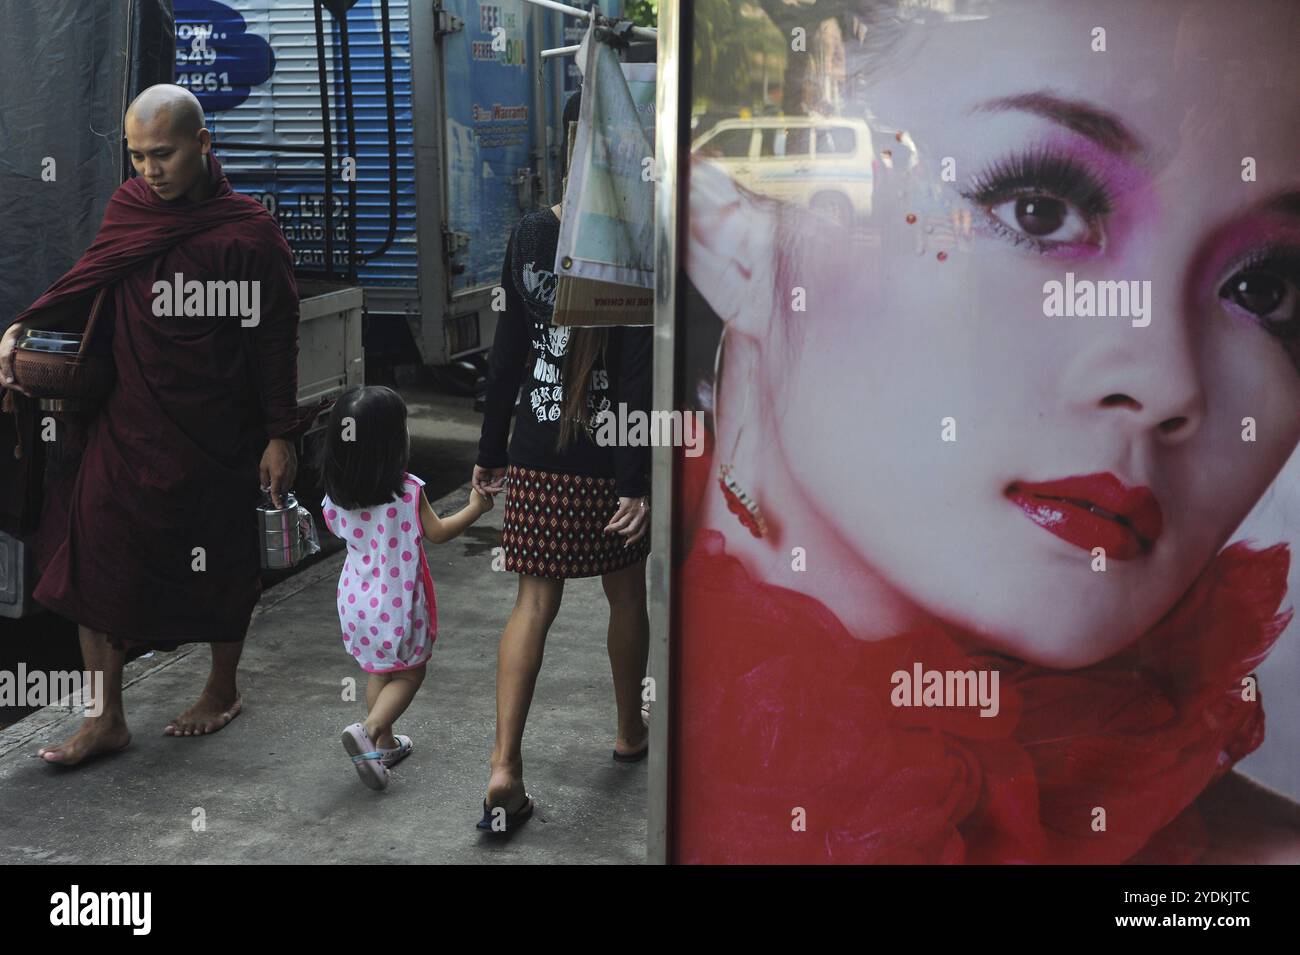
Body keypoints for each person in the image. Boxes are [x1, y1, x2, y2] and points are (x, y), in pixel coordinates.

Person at [675, 0, 1300, 862]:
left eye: (1264, 290)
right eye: (1039, 210)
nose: (1166, 382)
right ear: (724, 225)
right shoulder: (627, 726)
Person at [0, 84, 302, 764]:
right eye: (136, 157)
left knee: (222, 563)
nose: (148, 171)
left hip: (215, 430)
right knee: (89, 555)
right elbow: (88, 276)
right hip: (127, 421)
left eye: (161, 155)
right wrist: (25, 325)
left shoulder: (246, 232)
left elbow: (275, 337)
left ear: (202, 143)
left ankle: (221, 689)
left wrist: (280, 431)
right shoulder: (131, 208)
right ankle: (105, 717)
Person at [472, 90, 653, 832]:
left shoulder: (527, 234)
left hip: (539, 451)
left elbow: (507, 354)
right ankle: (628, 729)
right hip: (607, 460)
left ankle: (504, 763)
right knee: (625, 598)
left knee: (533, 603)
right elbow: (641, 369)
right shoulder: (640, 239)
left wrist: (489, 453)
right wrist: (637, 478)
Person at [319, 386, 493, 790]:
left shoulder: (335, 495)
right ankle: (370, 728)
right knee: (411, 674)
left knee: (381, 671)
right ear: (393, 444)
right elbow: (438, 533)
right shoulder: (407, 490)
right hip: (397, 604)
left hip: (356, 601)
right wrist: (475, 508)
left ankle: (385, 744)